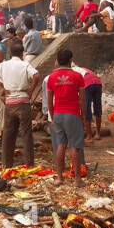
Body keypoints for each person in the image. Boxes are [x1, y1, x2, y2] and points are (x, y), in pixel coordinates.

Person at [47, 49, 86, 186]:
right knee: (75, 147)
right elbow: (82, 100)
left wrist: (52, 118)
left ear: (57, 60)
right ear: (70, 60)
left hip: (58, 114)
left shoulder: (51, 77)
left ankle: (59, 178)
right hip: (73, 114)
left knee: (61, 145)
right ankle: (77, 179)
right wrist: (84, 117)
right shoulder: (78, 76)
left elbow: (49, 101)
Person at [0, 43, 40, 168]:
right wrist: (31, 90)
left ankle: (6, 164)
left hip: (10, 102)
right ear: (22, 53)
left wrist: (3, 87)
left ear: (10, 53)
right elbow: (36, 76)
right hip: (23, 101)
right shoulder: (25, 64)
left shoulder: (3, 65)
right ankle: (29, 164)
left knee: (8, 134)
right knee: (26, 134)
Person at [73, 63, 104, 141]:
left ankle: (89, 136)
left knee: (86, 109)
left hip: (87, 85)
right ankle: (98, 134)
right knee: (98, 108)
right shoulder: (83, 68)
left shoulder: (71, 71)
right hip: (98, 83)